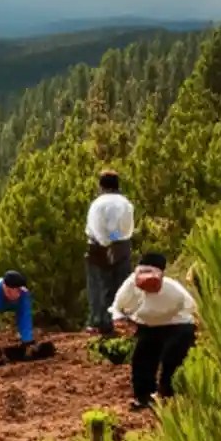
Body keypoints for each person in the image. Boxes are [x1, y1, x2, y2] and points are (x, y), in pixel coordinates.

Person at [110, 253, 198, 410]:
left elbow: (192, 308)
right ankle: (144, 397)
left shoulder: (174, 291)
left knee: (172, 360)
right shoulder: (130, 285)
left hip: (178, 325)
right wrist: (120, 319)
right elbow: (118, 306)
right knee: (141, 360)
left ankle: (170, 397)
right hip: (148, 326)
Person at [85, 170, 135, 335]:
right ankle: (123, 319)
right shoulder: (126, 203)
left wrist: (106, 242)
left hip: (98, 247)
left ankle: (101, 322)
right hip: (122, 246)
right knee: (122, 283)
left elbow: (97, 227)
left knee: (99, 285)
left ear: (101, 185)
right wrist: (115, 238)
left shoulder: (98, 204)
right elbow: (127, 228)